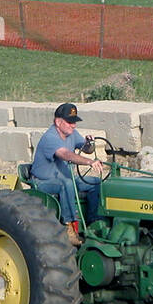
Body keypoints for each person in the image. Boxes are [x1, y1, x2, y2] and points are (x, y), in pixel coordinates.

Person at [29, 103, 103, 246]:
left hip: (64, 178)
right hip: (43, 182)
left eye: (75, 122)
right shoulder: (50, 137)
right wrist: (89, 162)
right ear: (58, 122)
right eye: (70, 122)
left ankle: (94, 221)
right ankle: (68, 226)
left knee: (95, 182)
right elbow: (66, 154)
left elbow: (87, 149)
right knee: (66, 184)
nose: (74, 125)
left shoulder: (72, 134)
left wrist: (90, 143)